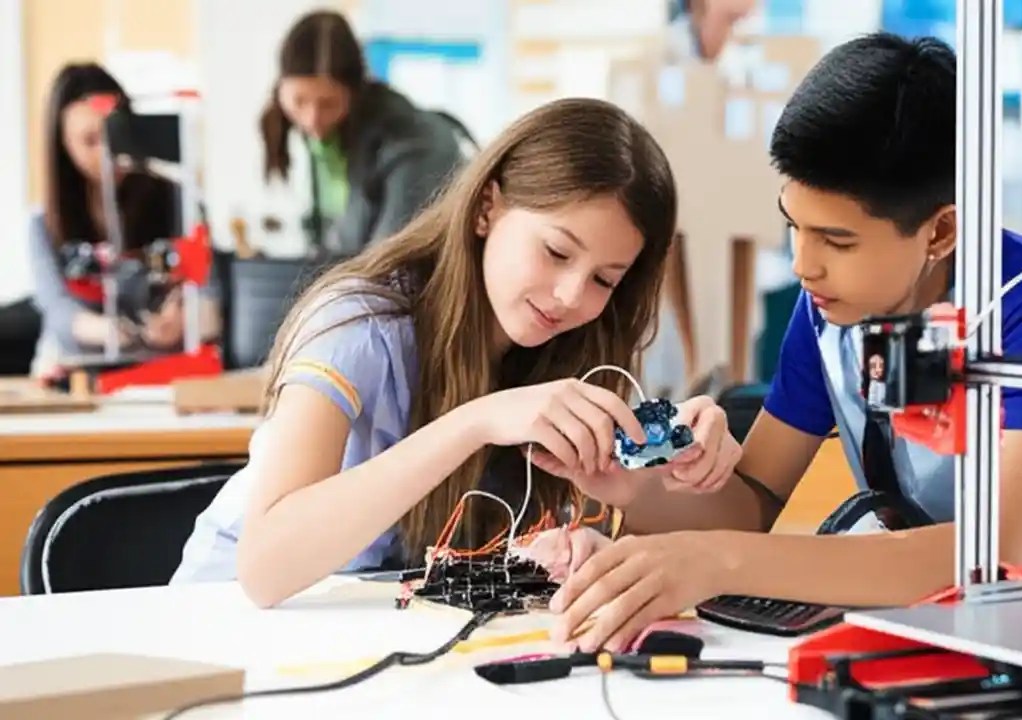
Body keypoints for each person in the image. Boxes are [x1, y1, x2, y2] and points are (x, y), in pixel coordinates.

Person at [536, 33, 1022, 653]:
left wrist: (719, 559)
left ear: (941, 231)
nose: (804, 265)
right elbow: (753, 503)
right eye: (793, 226)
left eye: (837, 240)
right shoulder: (828, 310)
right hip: (932, 620)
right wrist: (633, 489)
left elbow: (994, 548)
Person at [170, 97, 743, 608]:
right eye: (556, 252)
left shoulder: (562, 351)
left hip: (375, 639)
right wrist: (476, 422)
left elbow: (724, 536)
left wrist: (640, 489)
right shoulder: (360, 324)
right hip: (225, 632)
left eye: (605, 280)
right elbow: (265, 570)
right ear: (486, 207)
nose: (573, 296)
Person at [27, 63, 221, 375]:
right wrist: (117, 331)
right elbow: (58, 311)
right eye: (89, 141)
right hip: (77, 374)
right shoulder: (43, 224)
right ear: (63, 145)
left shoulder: (177, 201)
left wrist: (185, 319)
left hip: (163, 374)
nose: (107, 154)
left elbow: (211, 298)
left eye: (115, 136)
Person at [261, 10, 470, 256]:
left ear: (354, 93)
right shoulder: (321, 134)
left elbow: (391, 265)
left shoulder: (414, 145)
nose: (312, 118)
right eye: (299, 101)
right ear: (280, 89)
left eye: (328, 104)